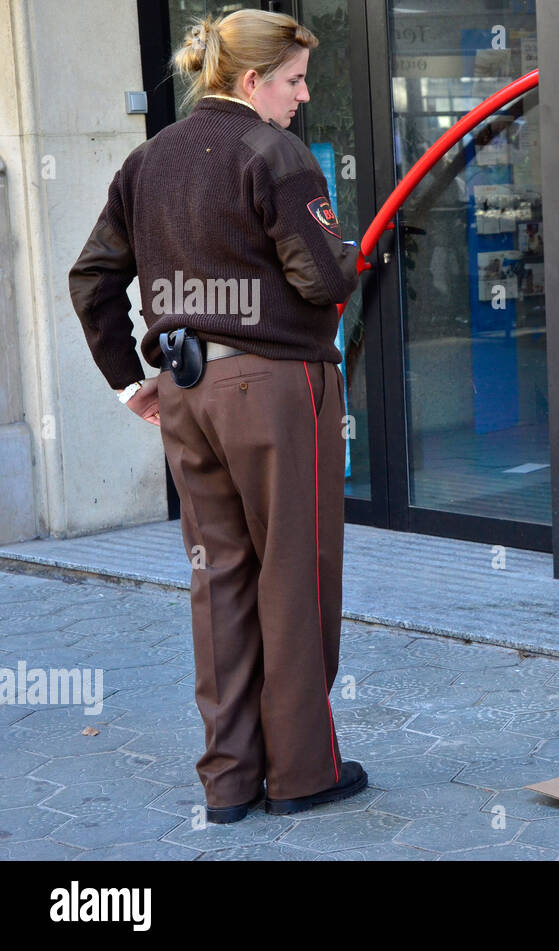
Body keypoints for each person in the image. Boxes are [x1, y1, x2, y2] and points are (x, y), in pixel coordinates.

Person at [68, 10, 366, 822]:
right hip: (275, 390)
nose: (302, 97)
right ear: (249, 82)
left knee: (218, 581)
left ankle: (229, 781)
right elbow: (319, 280)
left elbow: (91, 278)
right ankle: (303, 772)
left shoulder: (147, 160)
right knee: (294, 574)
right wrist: (352, 252)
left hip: (189, 399)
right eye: (294, 79)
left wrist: (131, 383)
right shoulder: (275, 153)